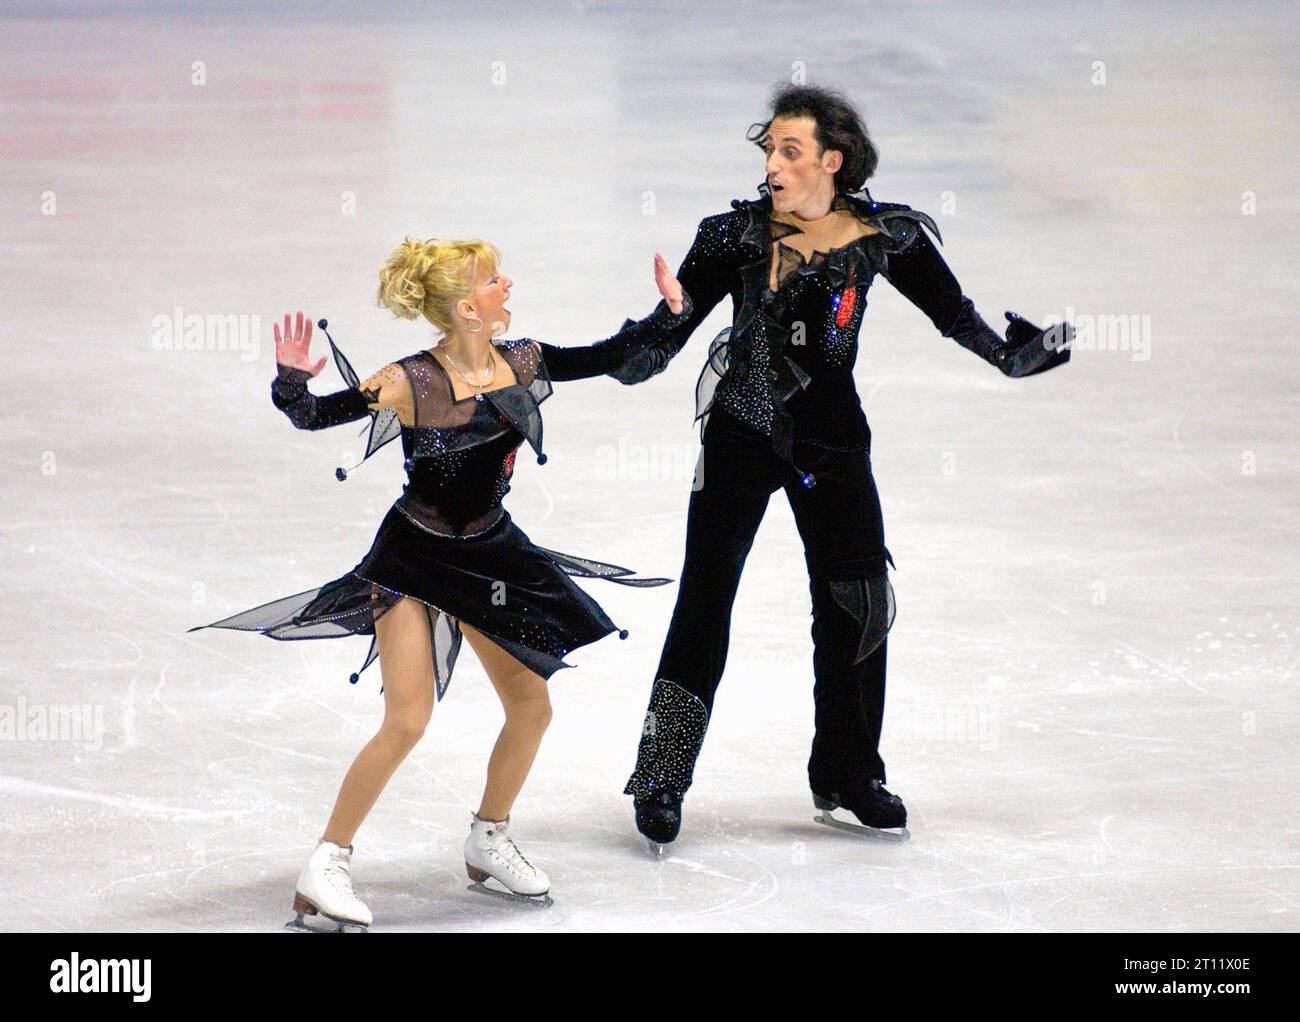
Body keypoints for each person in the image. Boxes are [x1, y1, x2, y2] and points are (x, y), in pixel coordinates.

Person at [610, 83, 1073, 849]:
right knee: (705, 600)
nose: (773, 166)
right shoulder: (731, 238)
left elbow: (954, 314)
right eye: (768, 151)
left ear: (833, 159)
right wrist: (655, 324)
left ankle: (849, 773)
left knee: (858, 600)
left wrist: (1008, 357)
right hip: (739, 436)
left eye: (789, 151)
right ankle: (661, 775)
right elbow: (655, 352)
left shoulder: (884, 237)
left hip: (831, 444)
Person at [189, 237, 691, 926]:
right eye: (493, 280)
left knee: (533, 708)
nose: (506, 284)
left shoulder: (524, 360)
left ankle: (488, 837)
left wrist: (667, 315)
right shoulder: (408, 382)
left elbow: (608, 358)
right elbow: (313, 415)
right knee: (407, 719)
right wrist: (290, 383)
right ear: (465, 306)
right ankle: (325, 865)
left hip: (491, 553)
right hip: (414, 559)